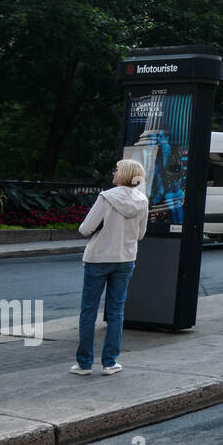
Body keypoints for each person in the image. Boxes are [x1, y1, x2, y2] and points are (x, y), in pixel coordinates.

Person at [71, 158, 149, 376]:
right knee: (116, 311)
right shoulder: (142, 200)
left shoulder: (106, 197)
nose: (113, 172)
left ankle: (84, 364)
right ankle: (110, 363)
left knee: (88, 311)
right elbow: (141, 234)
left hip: (98, 259)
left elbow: (85, 229)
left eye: (116, 169)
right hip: (125, 259)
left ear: (122, 173)